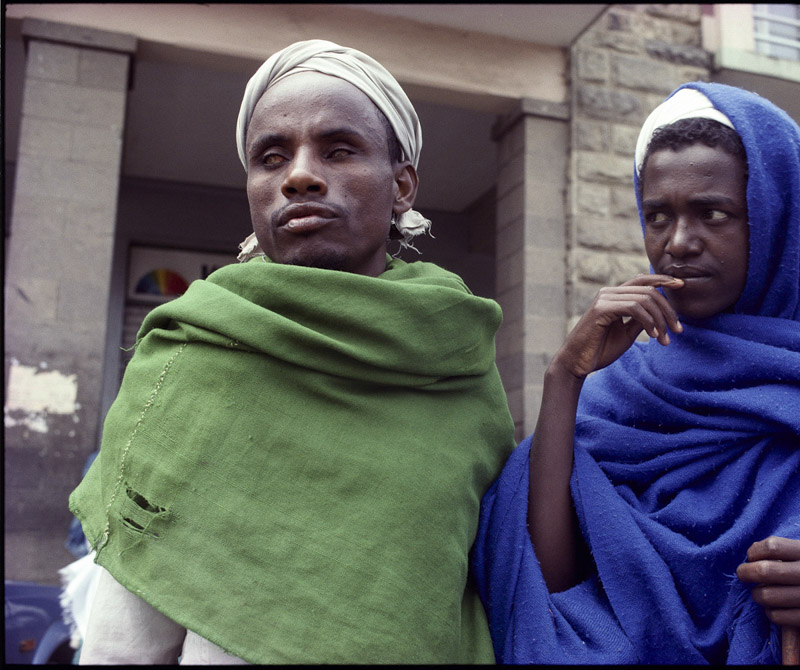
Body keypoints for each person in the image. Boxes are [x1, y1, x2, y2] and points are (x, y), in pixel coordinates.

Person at [471, 82, 800, 664]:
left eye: (713, 213)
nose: (679, 243)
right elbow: (550, 590)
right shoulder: (618, 396)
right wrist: (565, 379)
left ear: (781, 226)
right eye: (657, 216)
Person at [68, 39, 515, 664]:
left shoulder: (456, 363)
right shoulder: (192, 350)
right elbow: (122, 644)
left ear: (403, 184)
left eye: (338, 149)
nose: (299, 175)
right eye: (271, 157)